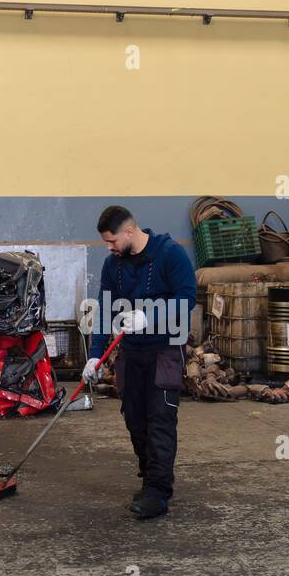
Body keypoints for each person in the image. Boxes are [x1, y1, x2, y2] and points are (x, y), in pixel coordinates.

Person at [83, 206, 196, 519]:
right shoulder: (112, 265)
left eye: (112, 240)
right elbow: (105, 310)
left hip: (166, 349)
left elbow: (188, 298)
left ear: (129, 232)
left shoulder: (170, 254)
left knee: (160, 418)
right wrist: (94, 354)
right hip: (131, 352)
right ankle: (150, 479)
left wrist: (149, 315)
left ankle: (158, 491)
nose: (109, 247)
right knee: (135, 418)